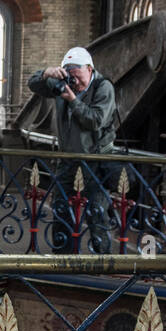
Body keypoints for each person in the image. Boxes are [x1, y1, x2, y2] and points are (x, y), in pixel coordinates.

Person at [27, 46, 120, 253]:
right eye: (70, 76)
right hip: (68, 161)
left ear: (89, 69)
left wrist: (72, 100)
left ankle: (102, 262)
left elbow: (95, 121)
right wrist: (46, 73)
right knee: (61, 210)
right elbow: (32, 84)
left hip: (96, 161)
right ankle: (62, 258)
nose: (74, 82)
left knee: (96, 213)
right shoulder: (64, 84)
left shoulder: (103, 87)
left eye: (77, 76)